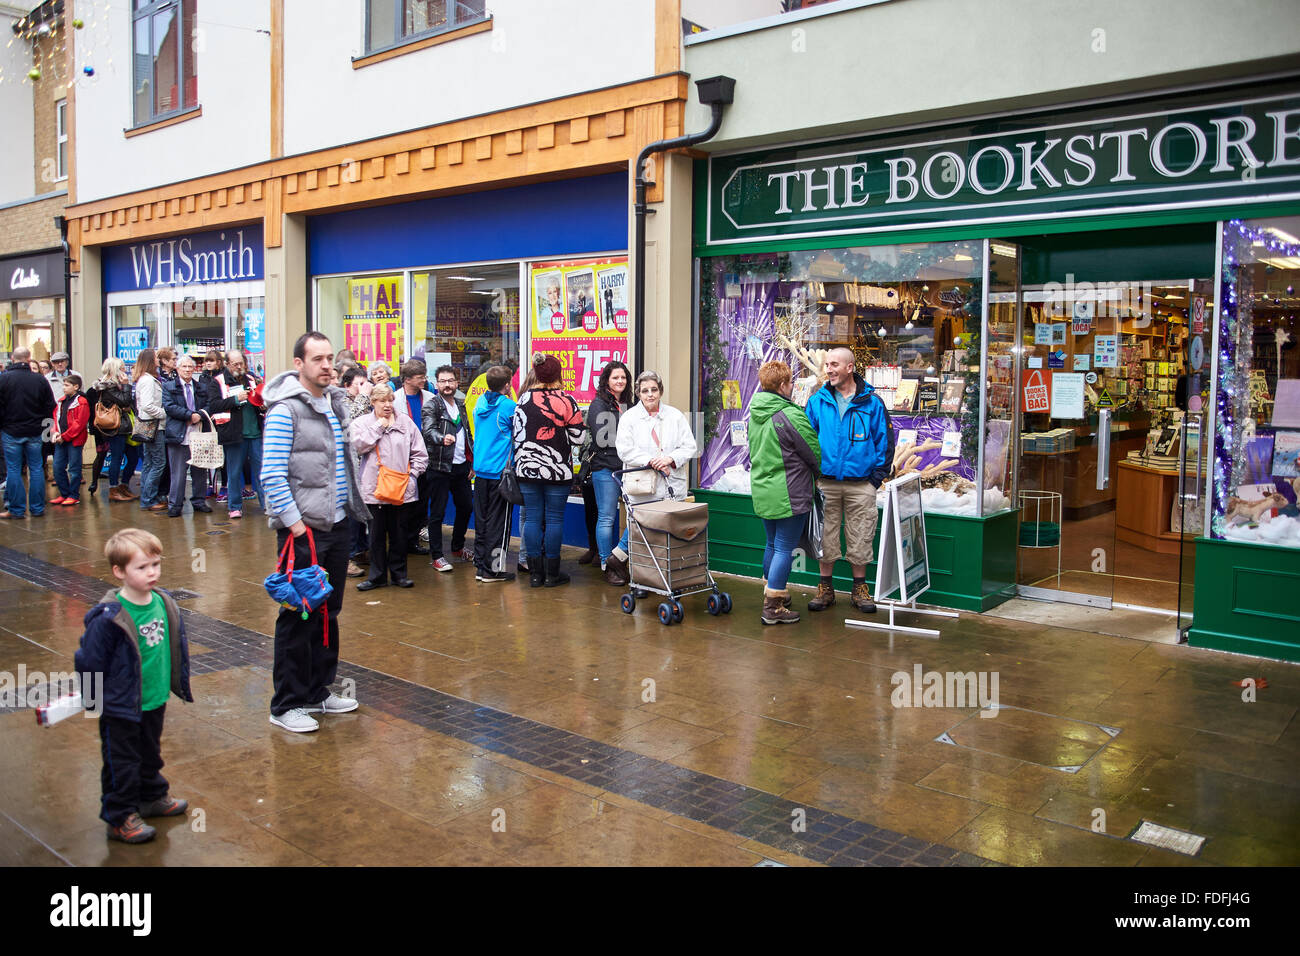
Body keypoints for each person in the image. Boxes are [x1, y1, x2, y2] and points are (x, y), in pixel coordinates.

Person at [260, 331, 368, 734]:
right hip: (303, 531)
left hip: (339, 524)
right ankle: (286, 703)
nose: (327, 366)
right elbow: (271, 473)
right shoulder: (285, 411)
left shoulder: (335, 402)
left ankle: (317, 690)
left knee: (327, 611)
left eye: (329, 359)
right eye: (317, 359)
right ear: (298, 364)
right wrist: (296, 525)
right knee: (298, 615)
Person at [74, 528, 192, 844]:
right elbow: (89, 659)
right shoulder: (108, 617)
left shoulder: (163, 601)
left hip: (153, 697)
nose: (152, 572)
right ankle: (120, 816)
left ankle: (152, 796)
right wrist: (94, 700)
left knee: (150, 752)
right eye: (142, 567)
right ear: (119, 571)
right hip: (120, 705)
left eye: (155, 564)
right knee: (121, 762)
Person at [803, 346, 893, 614]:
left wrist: (875, 479)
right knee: (825, 538)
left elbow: (885, 441)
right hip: (826, 483)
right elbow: (807, 440)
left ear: (849, 367)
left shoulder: (872, 403)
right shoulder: (817, 401)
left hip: (861, 484)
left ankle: (859, 590)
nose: (828, 369)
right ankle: (825, 588)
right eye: (827, 365)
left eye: (833, 365)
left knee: (861, 536)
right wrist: (813, 475)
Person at [605, 370, 698, 580]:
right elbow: (624, 450)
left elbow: (689, 446)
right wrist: (651, 461)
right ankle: (641, 578)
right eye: (645, 391)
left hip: (671, 483)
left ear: (660, 391)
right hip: (643, 484)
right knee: (642, 529)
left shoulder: (674, 416)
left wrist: (670, 459)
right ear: (638, 393)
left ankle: (660, 575)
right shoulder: (629, 417)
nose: (650, 395)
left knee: (664, 532)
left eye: (654, 390)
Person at [748, 361, 821, 625]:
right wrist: (819, 473)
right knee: (784, 547)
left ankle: (773, 590)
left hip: (764, 489)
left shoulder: (755, 412)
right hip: (790, 491)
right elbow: (812, 451)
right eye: (790, 382)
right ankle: (773, 606)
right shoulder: (789, 414)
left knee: (771, 544)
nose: (792, 387)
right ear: (782, 386)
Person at [513, 353, 585, 587]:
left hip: (527, 470)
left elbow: (517, 435)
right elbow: (579, 437)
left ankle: (535, 574)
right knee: (554, 520)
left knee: (532, 518)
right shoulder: (566, 400)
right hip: (557, 470)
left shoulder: (522, 399)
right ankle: (552, 574)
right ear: (557, 375)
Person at [351, 383, 427, 591]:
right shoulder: (362, 423)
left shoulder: (406, 422)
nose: (387, 405)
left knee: (399, 534)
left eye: (390, 400)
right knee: (375, 536)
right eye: (382, 401)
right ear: (373, 402)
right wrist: (379, 427)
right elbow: (357, 446)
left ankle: (399, 575)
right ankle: (377, 576)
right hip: (374, 489)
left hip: (402, 489)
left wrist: (412, 476)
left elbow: (420, 453)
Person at [421, 365, 473, 572]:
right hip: (439, 466)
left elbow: (468, 434)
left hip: (461, 467)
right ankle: (437, 556)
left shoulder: (461, 404)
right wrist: (442, 439)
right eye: (443, 381)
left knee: (466, 507)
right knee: (438, 513)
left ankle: (458, 547)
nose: (447, 385)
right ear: (436, 384)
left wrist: (471, 462)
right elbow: (428, 431)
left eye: (450, 380)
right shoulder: (431, 406)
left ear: (456, 383)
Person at [586, 360, 633, 585]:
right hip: (605, 468)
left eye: (623, 377)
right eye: (615, 377)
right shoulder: (598, 405)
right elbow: (602, 438)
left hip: (630, 467)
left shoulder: (629, 404)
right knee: (607, 517)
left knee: (638, 513)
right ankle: (607, 564)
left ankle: (619, 556)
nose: (620, 381)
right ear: (606, 380)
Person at [470, 365, 517, 582]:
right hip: (500, 473)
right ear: (507, 385)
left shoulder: (480, 402)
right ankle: (494, 570)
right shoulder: (509, 406)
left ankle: (480, 566)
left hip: (481, 471)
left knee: (482, 520)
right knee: (499, 523)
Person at [0, 346, 57, 518]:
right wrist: (42, 424)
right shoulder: (39, 380)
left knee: (14, 469)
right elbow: (50, 406)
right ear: (29, 358)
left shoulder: (4, 379)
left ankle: (16, 509)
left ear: (12, 358)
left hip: (11, 430)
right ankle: (37, 508)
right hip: (34, 430)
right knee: (36, 468)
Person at [206, 350, 264, 519]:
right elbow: (214, 405)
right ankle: (234, 507)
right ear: (227, 364)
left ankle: (267, 505)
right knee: (234, 471)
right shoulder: (218, 382)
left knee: (261, 470)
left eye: (242, 364)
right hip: (233, 433)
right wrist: (236, 399)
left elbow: (258, 401)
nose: (240, 367)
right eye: (236, 364)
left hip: (254, 432)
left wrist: (262, 405)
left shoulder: (252, 379)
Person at [162, 355, 213, 516]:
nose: (187, 370)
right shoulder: (169, 386)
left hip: (199, 434)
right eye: (184, 367)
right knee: (178, 473)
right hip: (179, 434)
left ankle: (199, 501)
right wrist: (189, 415)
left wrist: (199, 415)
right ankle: (175, 505)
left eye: (190, 367)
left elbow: (209, 405)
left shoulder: (201, 387)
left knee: (200, 470)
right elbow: (169, 407)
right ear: (177, 369)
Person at [393, 360, 435, 555]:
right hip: (402, 459)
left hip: (424, 457)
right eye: (420, 378)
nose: (424, 381)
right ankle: (400, 541)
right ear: (407, 379)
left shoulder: (429, 397)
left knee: (421, 501)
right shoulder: (394, 400)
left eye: (424, 377)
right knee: (404, 503)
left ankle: (413, 540)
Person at [84, 358, 137, 502]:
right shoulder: (107, 386)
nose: (125, 370)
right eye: (121, 367)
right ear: (115, 369)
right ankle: (113, 488)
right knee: (117, 457)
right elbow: (125, 401)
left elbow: (128, 403)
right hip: (116, 427)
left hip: (125, 426)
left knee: (133, 457)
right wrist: (126, 386)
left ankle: (123, 485)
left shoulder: (117, 386)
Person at [131, 349, 168, 512]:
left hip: (149, 427)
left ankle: (147, 498)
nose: (159, 361)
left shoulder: (145, 379)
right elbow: (146, 405)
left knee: (149, 463)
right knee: (158, 463)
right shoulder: (147, 381)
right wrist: (164, 413)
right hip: (154, 427)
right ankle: (149, 499)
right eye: (156, 358)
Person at [49, 373, 89, 506]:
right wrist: (55, 432)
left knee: (74, 468)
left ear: (76, 387)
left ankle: (74, 495)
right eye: (64, 385)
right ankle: (64, 493)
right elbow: (56, 418)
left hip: (74, 440)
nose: (64, 388)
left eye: (67, 385)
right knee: (57, 467)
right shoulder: (61, 401)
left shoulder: (82, 402)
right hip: (61, 439)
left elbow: (79, 424)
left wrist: (64, 436)